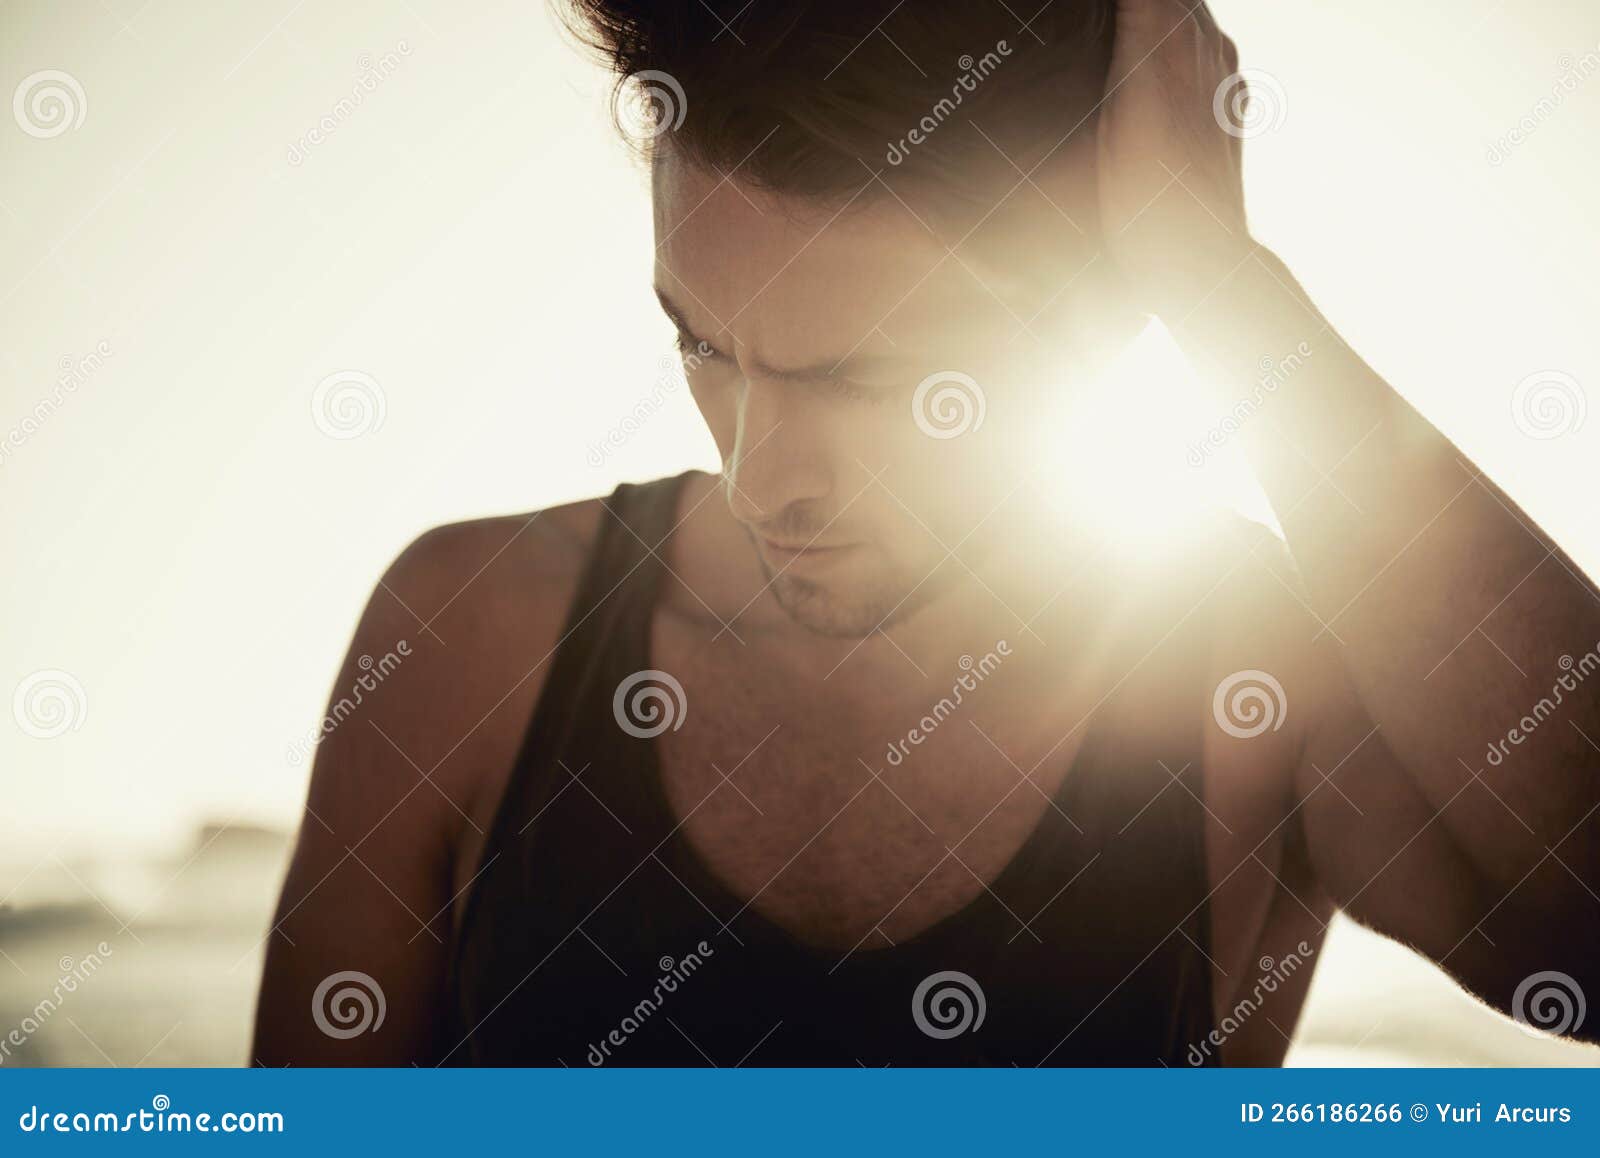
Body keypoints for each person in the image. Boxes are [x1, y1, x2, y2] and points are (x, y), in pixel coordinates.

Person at [253, 0, 1600, 1065]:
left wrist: (1217, 278)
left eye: (869, 380)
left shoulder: (1248, 669)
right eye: (704, 344)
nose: (763, 479)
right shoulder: (474, 629)